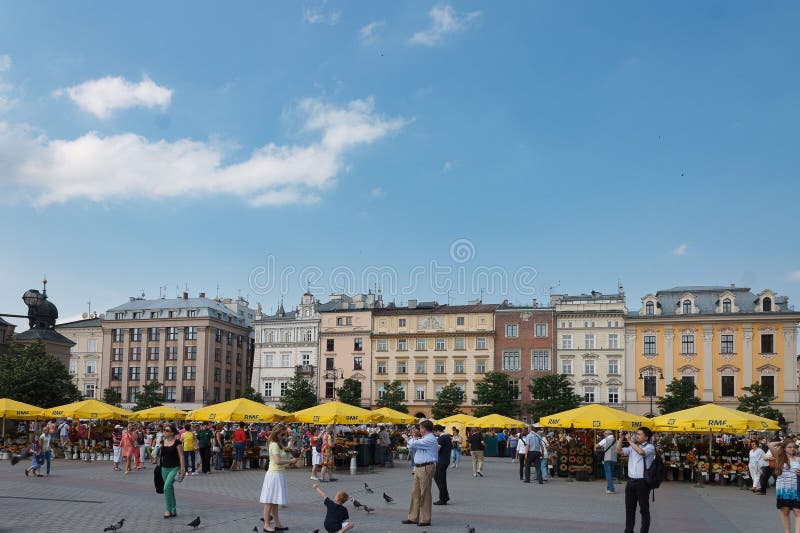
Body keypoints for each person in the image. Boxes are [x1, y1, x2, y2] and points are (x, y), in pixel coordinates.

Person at [616, 427, 655, 533]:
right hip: (631, 482)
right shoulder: (633, 446)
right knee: (629, 509)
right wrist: (621, 438)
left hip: (642, 482)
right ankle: (628, 530)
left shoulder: (650, 447)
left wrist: (629, 440)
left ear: (646, 437)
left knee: (644, 510)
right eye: (636, 434)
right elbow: (618, 451)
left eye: (639, 434)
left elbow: (641, 452)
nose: (637, 436)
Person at [260, 426, 297, 532]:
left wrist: (290, 459)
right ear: (276, 433)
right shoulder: (274, 444)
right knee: (269, 502)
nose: (284, 436)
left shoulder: (278, 444)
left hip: (279, 474)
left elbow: (281, 459)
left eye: (285, 434)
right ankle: (266, 525)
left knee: (275, 501)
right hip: (274, 475)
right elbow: (277, 461)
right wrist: (290, 461)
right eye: (282, 434)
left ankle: (277, 524)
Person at [401, 420, 437, 527]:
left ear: (424, 429)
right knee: (415, 493)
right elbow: (411, 447)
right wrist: (412, 440)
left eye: (420, 428)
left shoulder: (430, 439)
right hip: (419, 467)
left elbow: (413, 444)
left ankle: (426, 519)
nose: (419, 430)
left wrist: (406, 437)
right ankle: (413, 517)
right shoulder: (425, 438)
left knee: (425, 493)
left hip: (426, 467)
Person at [768, 439, 800, 533]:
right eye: (790, 447)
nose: (792, 449)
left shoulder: (798, 459)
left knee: (798, 511)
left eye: (794, 447)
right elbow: (770, 444)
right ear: (784, 449)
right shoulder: (779, 457)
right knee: (785, 512)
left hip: (796, 489)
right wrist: (782, 443)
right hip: (783, 489)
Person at [159, 423, 186, 518]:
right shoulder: (162, 442)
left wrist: (182, 469)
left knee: (166, 488)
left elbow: (181, 456)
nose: (164, 432)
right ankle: (173, 509)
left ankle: (168, 510)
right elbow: (160, 456)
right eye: (164, 430)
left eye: (167, 430)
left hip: (174, 468)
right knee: (169, 488)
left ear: (172, 433)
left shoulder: (177, 442)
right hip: (164, 468)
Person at [433, 424, 452, 505]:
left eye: (434, 432)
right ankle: (445, 496)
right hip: (446, 460)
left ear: (437, 430)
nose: (434, 433)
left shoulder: (441, 438)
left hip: (441, 461)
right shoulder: (447, 436)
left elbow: (437, 449)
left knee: (439, 479)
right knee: (441, 479)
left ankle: (443, 499)